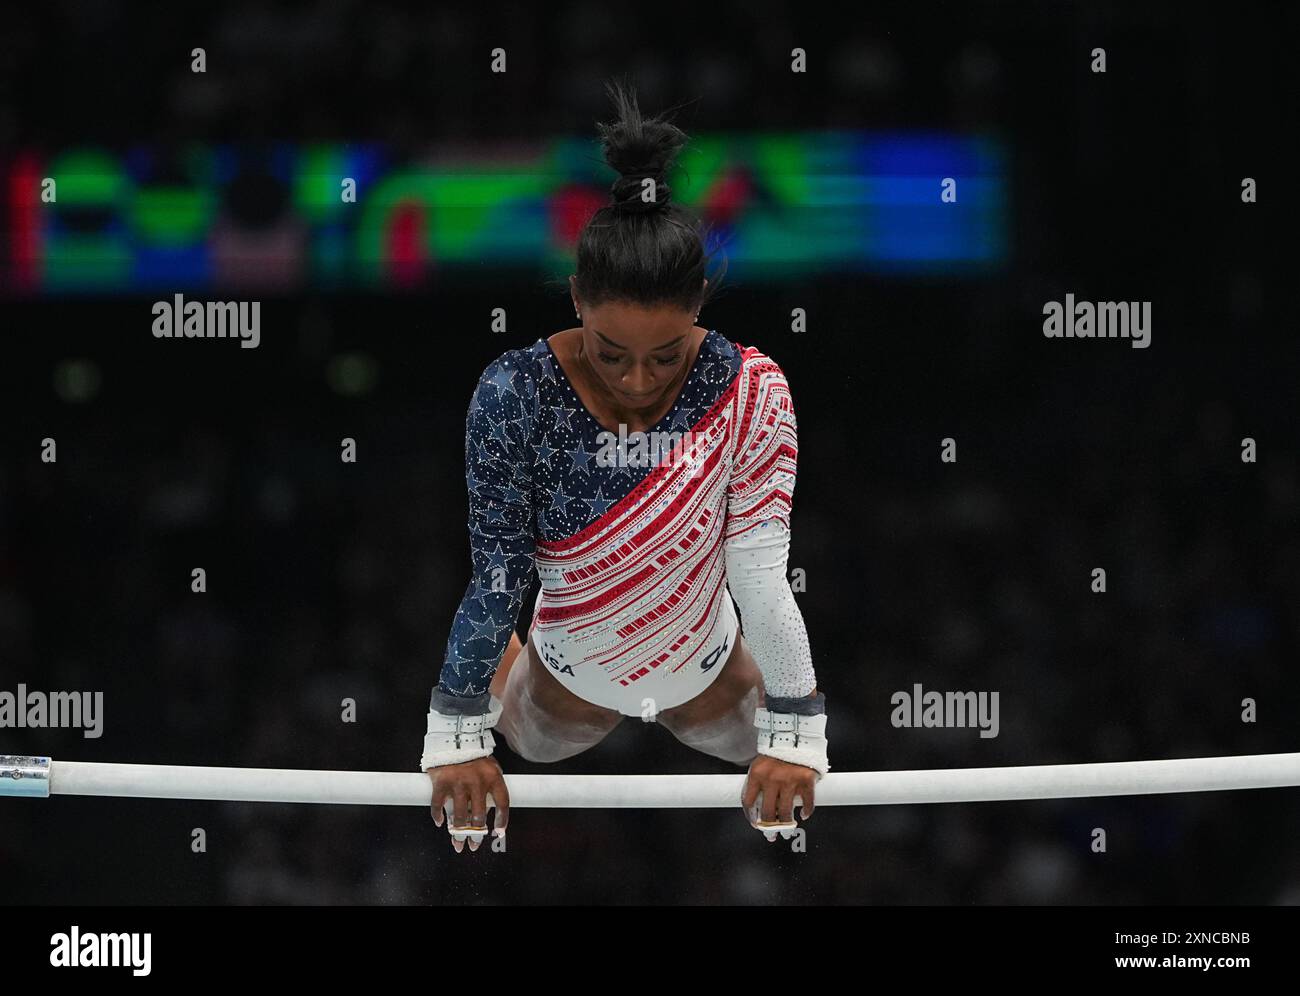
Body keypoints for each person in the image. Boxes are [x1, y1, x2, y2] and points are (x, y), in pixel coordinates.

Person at [421, 80, 827, 851]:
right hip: (566, 679)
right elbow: (499, 572)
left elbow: (761, 575)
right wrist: (456, 738)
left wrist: (797, 734)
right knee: (535, 742)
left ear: (701, 304)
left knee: (753, 743)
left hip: (708, 663)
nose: (637, 380)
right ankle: (520, 656)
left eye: (666, 354)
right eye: (612, 353)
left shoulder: (750, 388)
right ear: (576, 299)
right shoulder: (517, 392)